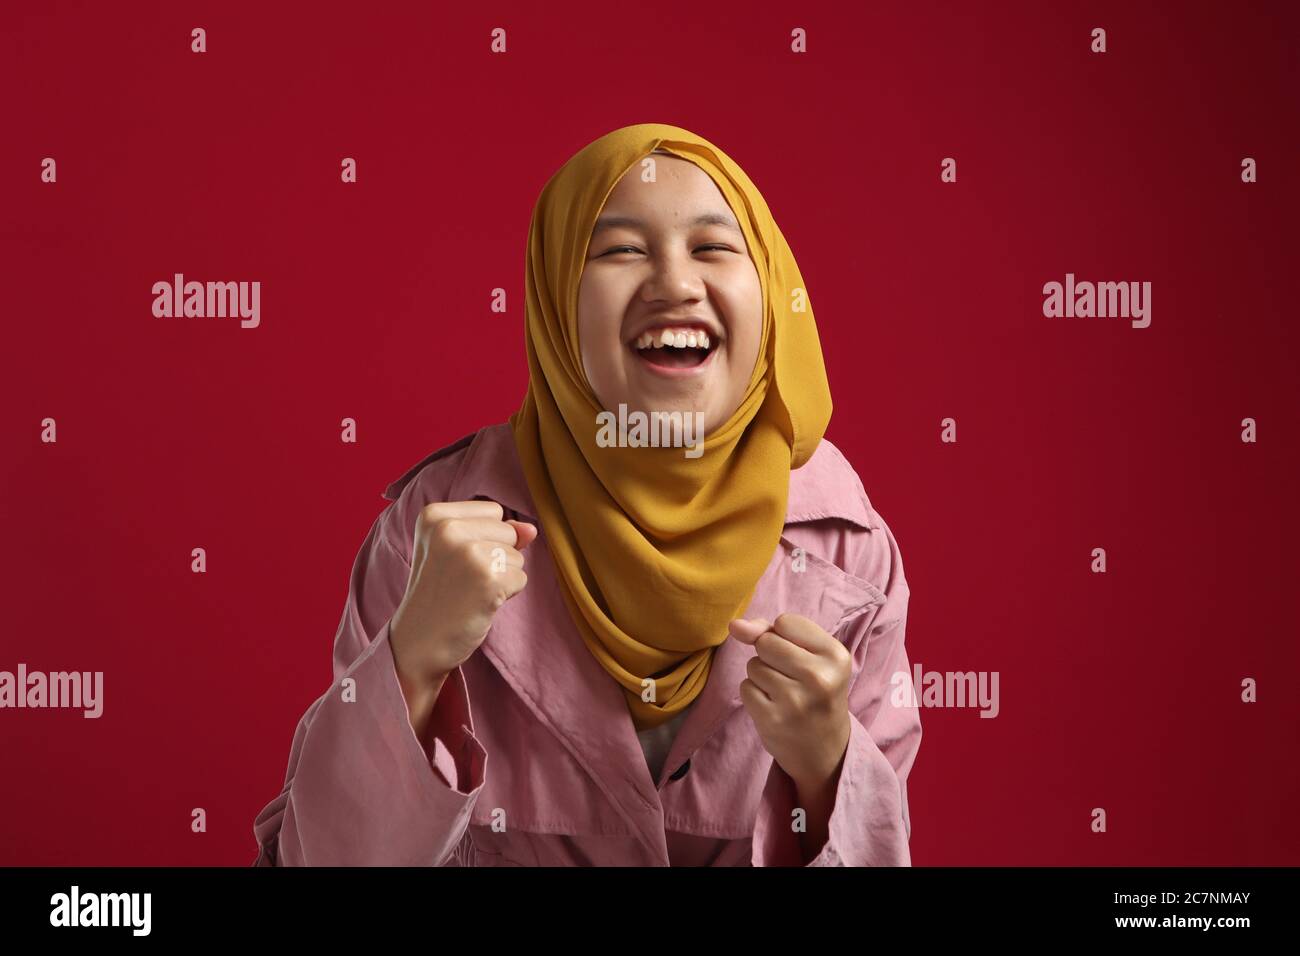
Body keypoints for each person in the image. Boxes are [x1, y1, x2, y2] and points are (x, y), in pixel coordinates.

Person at [252, 123, 921, 866]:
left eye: (713, 247)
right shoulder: (432, 529)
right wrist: (410, 667)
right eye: (621, 250)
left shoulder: (850, 549)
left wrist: (830, 770)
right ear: (554, 303)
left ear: (768, 295)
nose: (674, 283)